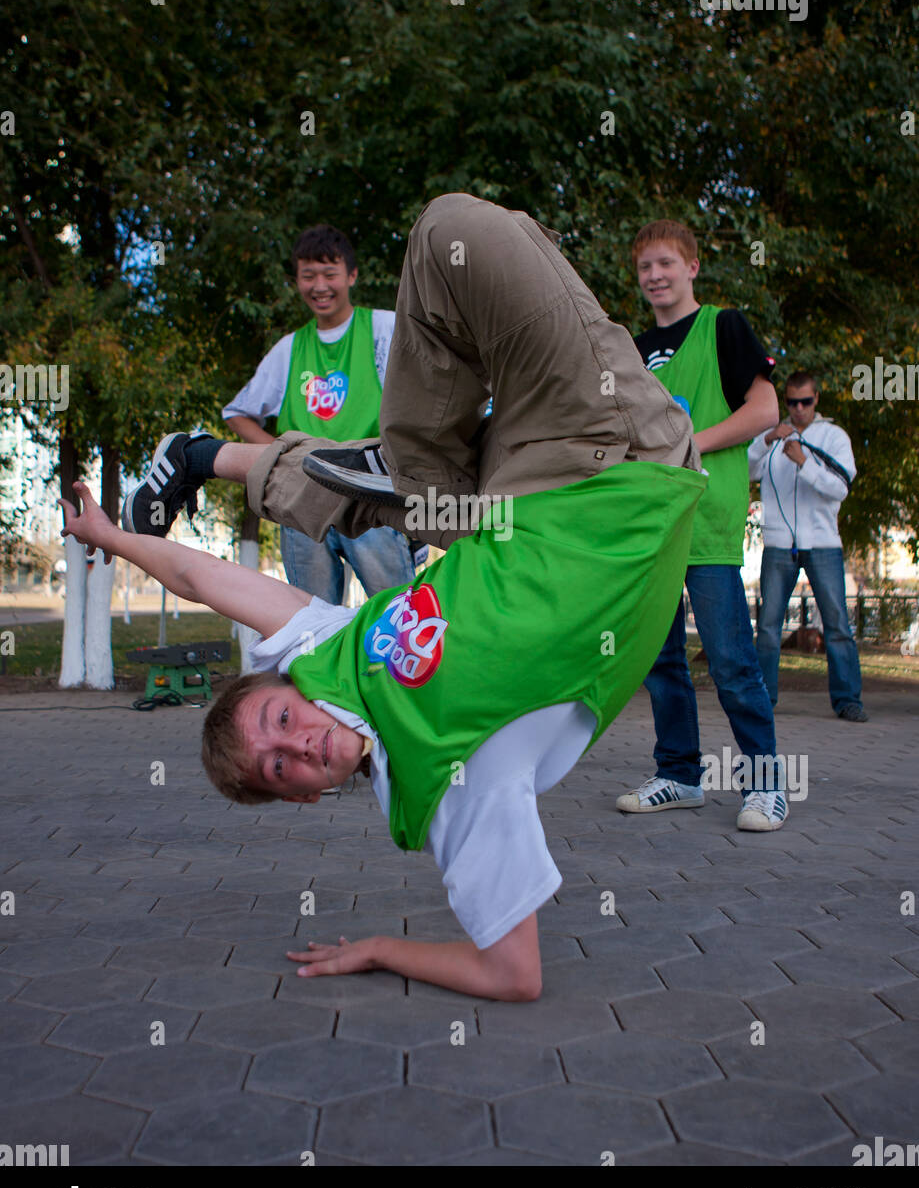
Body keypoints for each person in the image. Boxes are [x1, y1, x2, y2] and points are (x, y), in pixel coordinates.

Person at [97, 193, 705, 1002]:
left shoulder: (326, 653)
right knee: (455, 238)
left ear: (287, 686)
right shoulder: (443, 793)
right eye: (281, 773)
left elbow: (204, 579)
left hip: (517, 484)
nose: (298, 750)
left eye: (280, 725)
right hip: (631, 460)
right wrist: (383, 947)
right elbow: (513, 975)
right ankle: (411, 463)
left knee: (446, 240)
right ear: (307, 799)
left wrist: (105, 537)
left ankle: (353, 464)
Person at [617, 219, 787, 830]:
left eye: (666, 263)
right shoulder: (630, 350)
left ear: (692, 267)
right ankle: (678, 775)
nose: (655, 275)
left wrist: (688, 446)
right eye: (644, 268)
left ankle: (767, 784)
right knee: (660, 661)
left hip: (707, 522)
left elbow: (764, 409)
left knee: (731, 661)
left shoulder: (725, 326)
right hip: (650, 527)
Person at [221, 222, 420, 601]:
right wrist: (281, 456)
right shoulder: (289, 349)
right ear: (296, 280)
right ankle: (323, 664)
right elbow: (238, 413)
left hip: (370, 493)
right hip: (302, 500)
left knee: (399, 612)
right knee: (312, 619)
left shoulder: (383, 328)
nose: (319, 286)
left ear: (352, 275)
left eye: (330, 274)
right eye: (308, 276)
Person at [749, 371, 867, 721]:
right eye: (791, 402)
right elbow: (748, 470)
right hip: (779, 543)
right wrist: (767, 439)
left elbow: (841, 487)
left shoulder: (833, 437)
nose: (798, 409)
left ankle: (848, 700)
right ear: (784, 402)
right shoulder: (772, 437)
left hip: (823, 542)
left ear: (817, 400)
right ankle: (763, 699)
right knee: (769, 626)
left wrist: (804, 462)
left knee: (837, 625)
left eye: (805, 402)